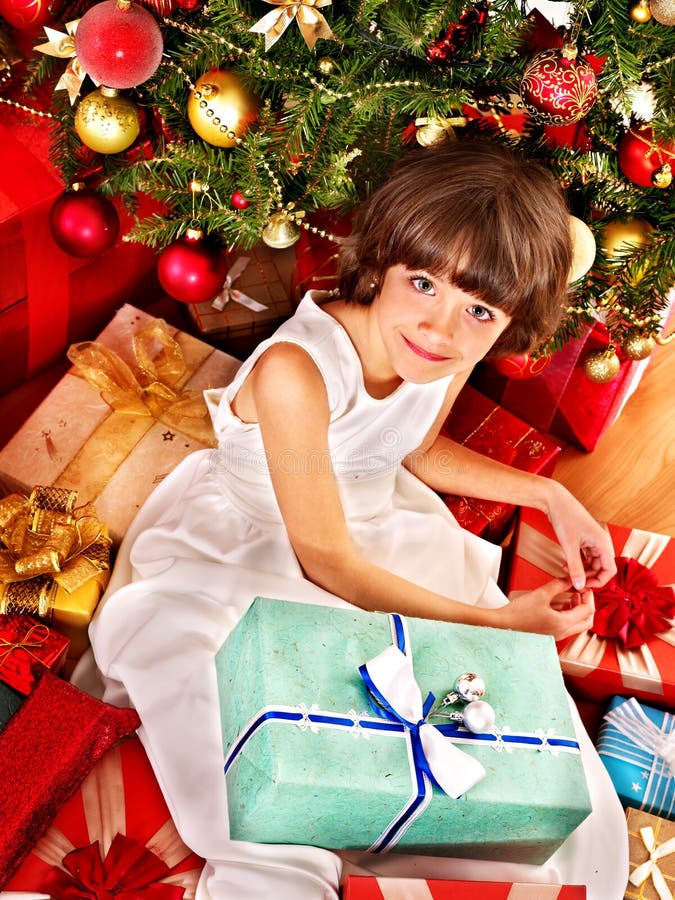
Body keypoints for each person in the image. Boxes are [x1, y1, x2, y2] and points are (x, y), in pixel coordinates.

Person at [75, 138, 628, 899]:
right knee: (269, 785)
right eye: (422, 283)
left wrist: (552, 497)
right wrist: (496, 625)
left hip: (379, 530)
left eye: (476, 310)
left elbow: (416, 451)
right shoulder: (295, 372)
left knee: (494, 758)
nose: (439, 330)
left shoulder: (443, 349)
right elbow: (324, 563)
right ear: (384, 259)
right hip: (259, 550)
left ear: (505, 320)